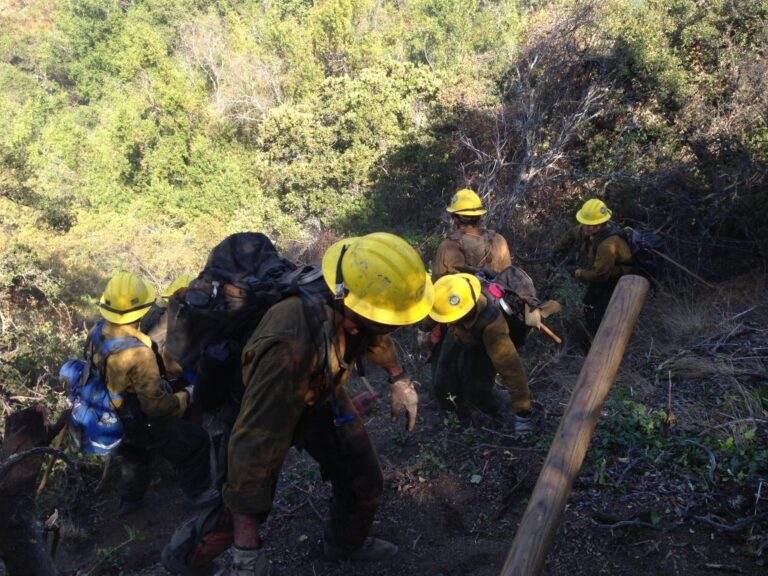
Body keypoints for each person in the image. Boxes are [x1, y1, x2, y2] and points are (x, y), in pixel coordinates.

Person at [164, 233, 433, 576]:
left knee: (362, 479)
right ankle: (185, 558)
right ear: (353, 312)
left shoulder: (354, 287)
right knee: (242, 510)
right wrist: (247, 551)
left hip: (320, 394)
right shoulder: (289, 341)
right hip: (264, 408)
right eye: (389, 321)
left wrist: (398, 377)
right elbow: (254, 442)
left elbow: (375, 336)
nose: (395, 328)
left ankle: (343, 543)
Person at [91, 272, 218, 515]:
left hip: (111, 413)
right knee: (197, 441)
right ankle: (197, 495)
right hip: (139, 418)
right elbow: (156, 407)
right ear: (141, 309)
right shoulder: (139, 353)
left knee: (134, 452)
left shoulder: (97, 332)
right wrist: (187, 396)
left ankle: (131, 501)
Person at [429, 273, 533, 436]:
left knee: (477, 391)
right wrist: (423, 330)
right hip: (458, 335)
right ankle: (461, 427)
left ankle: (506, 415)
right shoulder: (448, 299)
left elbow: (511, 369)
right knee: (441, 384)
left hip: (481, 342)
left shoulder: (492, 325)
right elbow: (434, 310)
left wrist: (523, 412)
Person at [556, 199, 633, 334]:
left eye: (593, 225)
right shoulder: (585, 229)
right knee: (588, 303)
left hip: (618, 278)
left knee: (598, 314)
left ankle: (603, 338)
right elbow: (571, 235)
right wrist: (556, 252)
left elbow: (600, 276)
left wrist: (577, 272)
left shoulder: (607, 245)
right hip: (602, 271)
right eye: (585, 223)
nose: (588, 227)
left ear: (603, 223)